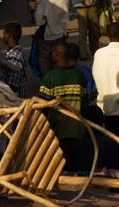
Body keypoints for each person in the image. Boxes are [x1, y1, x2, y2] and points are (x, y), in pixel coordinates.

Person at [37, 40, 90, 173]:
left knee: (59, 168)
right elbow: (85, 103)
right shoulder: (79, 76)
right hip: (77, 129)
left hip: (57, 130)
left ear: (58, 54)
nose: (51, 56)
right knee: (75, 167)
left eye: (53, 53)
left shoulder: (50, 77)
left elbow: (42, 106)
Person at [33, 0, 71, 76]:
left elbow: (39, 18)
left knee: (44, 57)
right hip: (60, 34)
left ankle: (46, 79)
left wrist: (41, 22)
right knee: (58, 57)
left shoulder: (46, 0)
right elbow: (65, 17)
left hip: (48, 34)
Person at [0, 22, 28, 98]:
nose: (3, 36)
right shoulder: (14, 52)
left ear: (9, 36)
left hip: (14, 100)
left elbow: (13, 87)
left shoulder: (15, 57)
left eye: (4, 34)